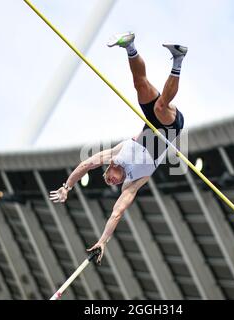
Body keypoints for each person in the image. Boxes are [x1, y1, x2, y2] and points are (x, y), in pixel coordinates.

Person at [49, 31, 187, 263]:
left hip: (151, 123)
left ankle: (130, 46)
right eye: (112, 182)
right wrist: (103, 241)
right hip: (170, 129)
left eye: (108, 178)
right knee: (162, 106)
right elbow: (117, 212)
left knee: (139, 85)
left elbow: (85, 164)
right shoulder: (132, 184)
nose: (111, 181)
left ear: (109, 167)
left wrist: (68, 186)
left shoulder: (115, 153)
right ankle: (179, 59)